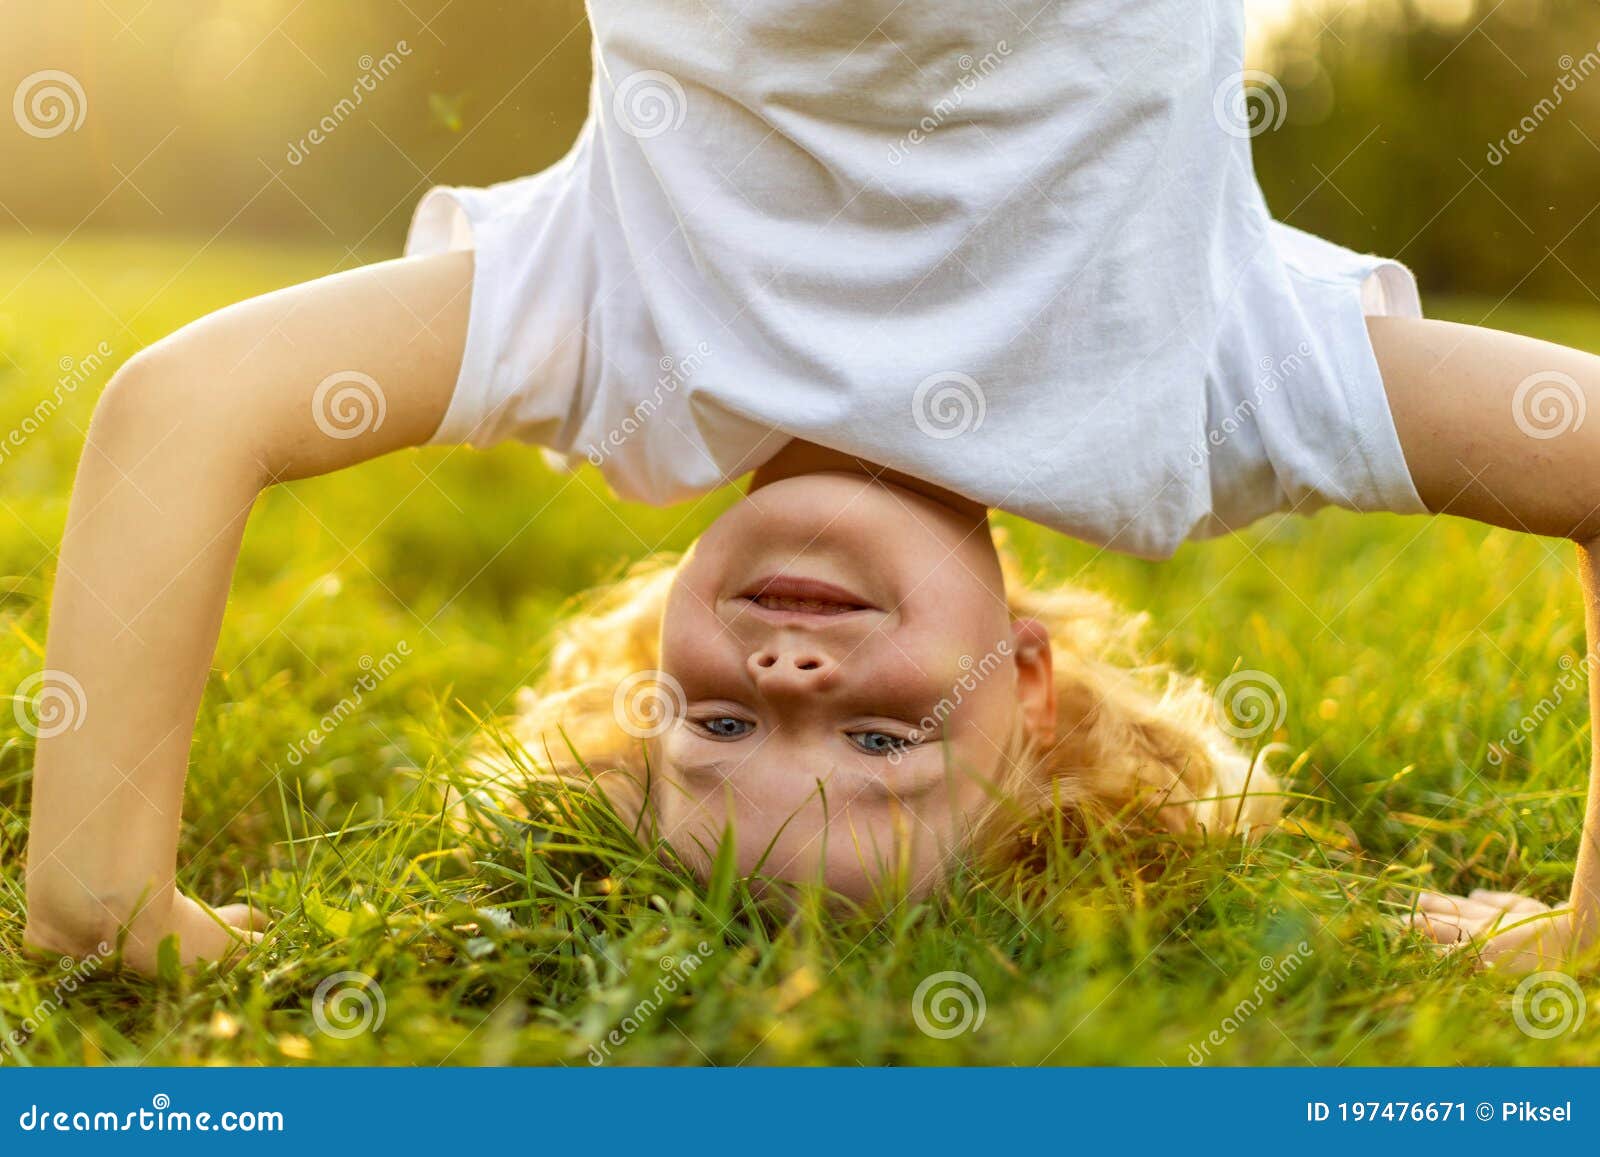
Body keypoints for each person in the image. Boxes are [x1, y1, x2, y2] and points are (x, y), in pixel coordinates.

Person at [23, 1, 1599, 974]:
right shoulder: (1195, 402)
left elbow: (177, 410)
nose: (786, 677)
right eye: (880, 739)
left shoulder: (614, 335)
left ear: (652, 667)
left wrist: (105, 901)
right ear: (1031, 691)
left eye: (711, 727)